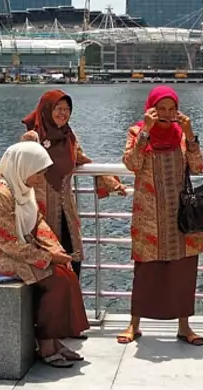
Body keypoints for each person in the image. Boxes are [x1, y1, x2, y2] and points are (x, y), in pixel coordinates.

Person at [0, 142, 90, 368]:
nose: (40, 178)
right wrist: (47, 258)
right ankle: (46, 343)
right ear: (24, 167)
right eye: (38, 172)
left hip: (16, 249)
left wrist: (57, 250)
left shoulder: (22, 188)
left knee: (66, 275)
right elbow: (7, 244)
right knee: (54, 280)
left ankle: (55, 339)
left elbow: (38, 223)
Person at [117, 86, 203, 346]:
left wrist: (190, 134)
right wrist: (146, 131)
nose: (167, 114)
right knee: (146, 271)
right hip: (149, 216)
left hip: (182, 216)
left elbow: (197, 166)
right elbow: (132, 164)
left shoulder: (182, 135)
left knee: (183, 271)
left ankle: (184, 326)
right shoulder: (137, 132)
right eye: (162, 109)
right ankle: (134, 324)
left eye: (172, 109)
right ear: (151, 109)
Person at [20, 90, 127, 278]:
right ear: (46, 110)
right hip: (39, 213)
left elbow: (82, 159)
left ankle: (70, 306)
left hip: (66, 210)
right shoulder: (32, 137)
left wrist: (112, 182)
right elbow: (20, 170)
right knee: (45, 265)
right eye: (58, 108)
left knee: (72, 261)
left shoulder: (69, 137)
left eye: (67, 109)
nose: (63, 113)